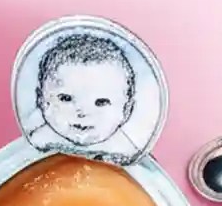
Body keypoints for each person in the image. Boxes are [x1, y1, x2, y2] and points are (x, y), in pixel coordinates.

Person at [23, 33, 144, 165]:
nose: (82, 113)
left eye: (101, 102)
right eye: (66, 98)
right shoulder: (38, 142)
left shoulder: (126, 152)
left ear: (126, 109)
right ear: (41, 101)